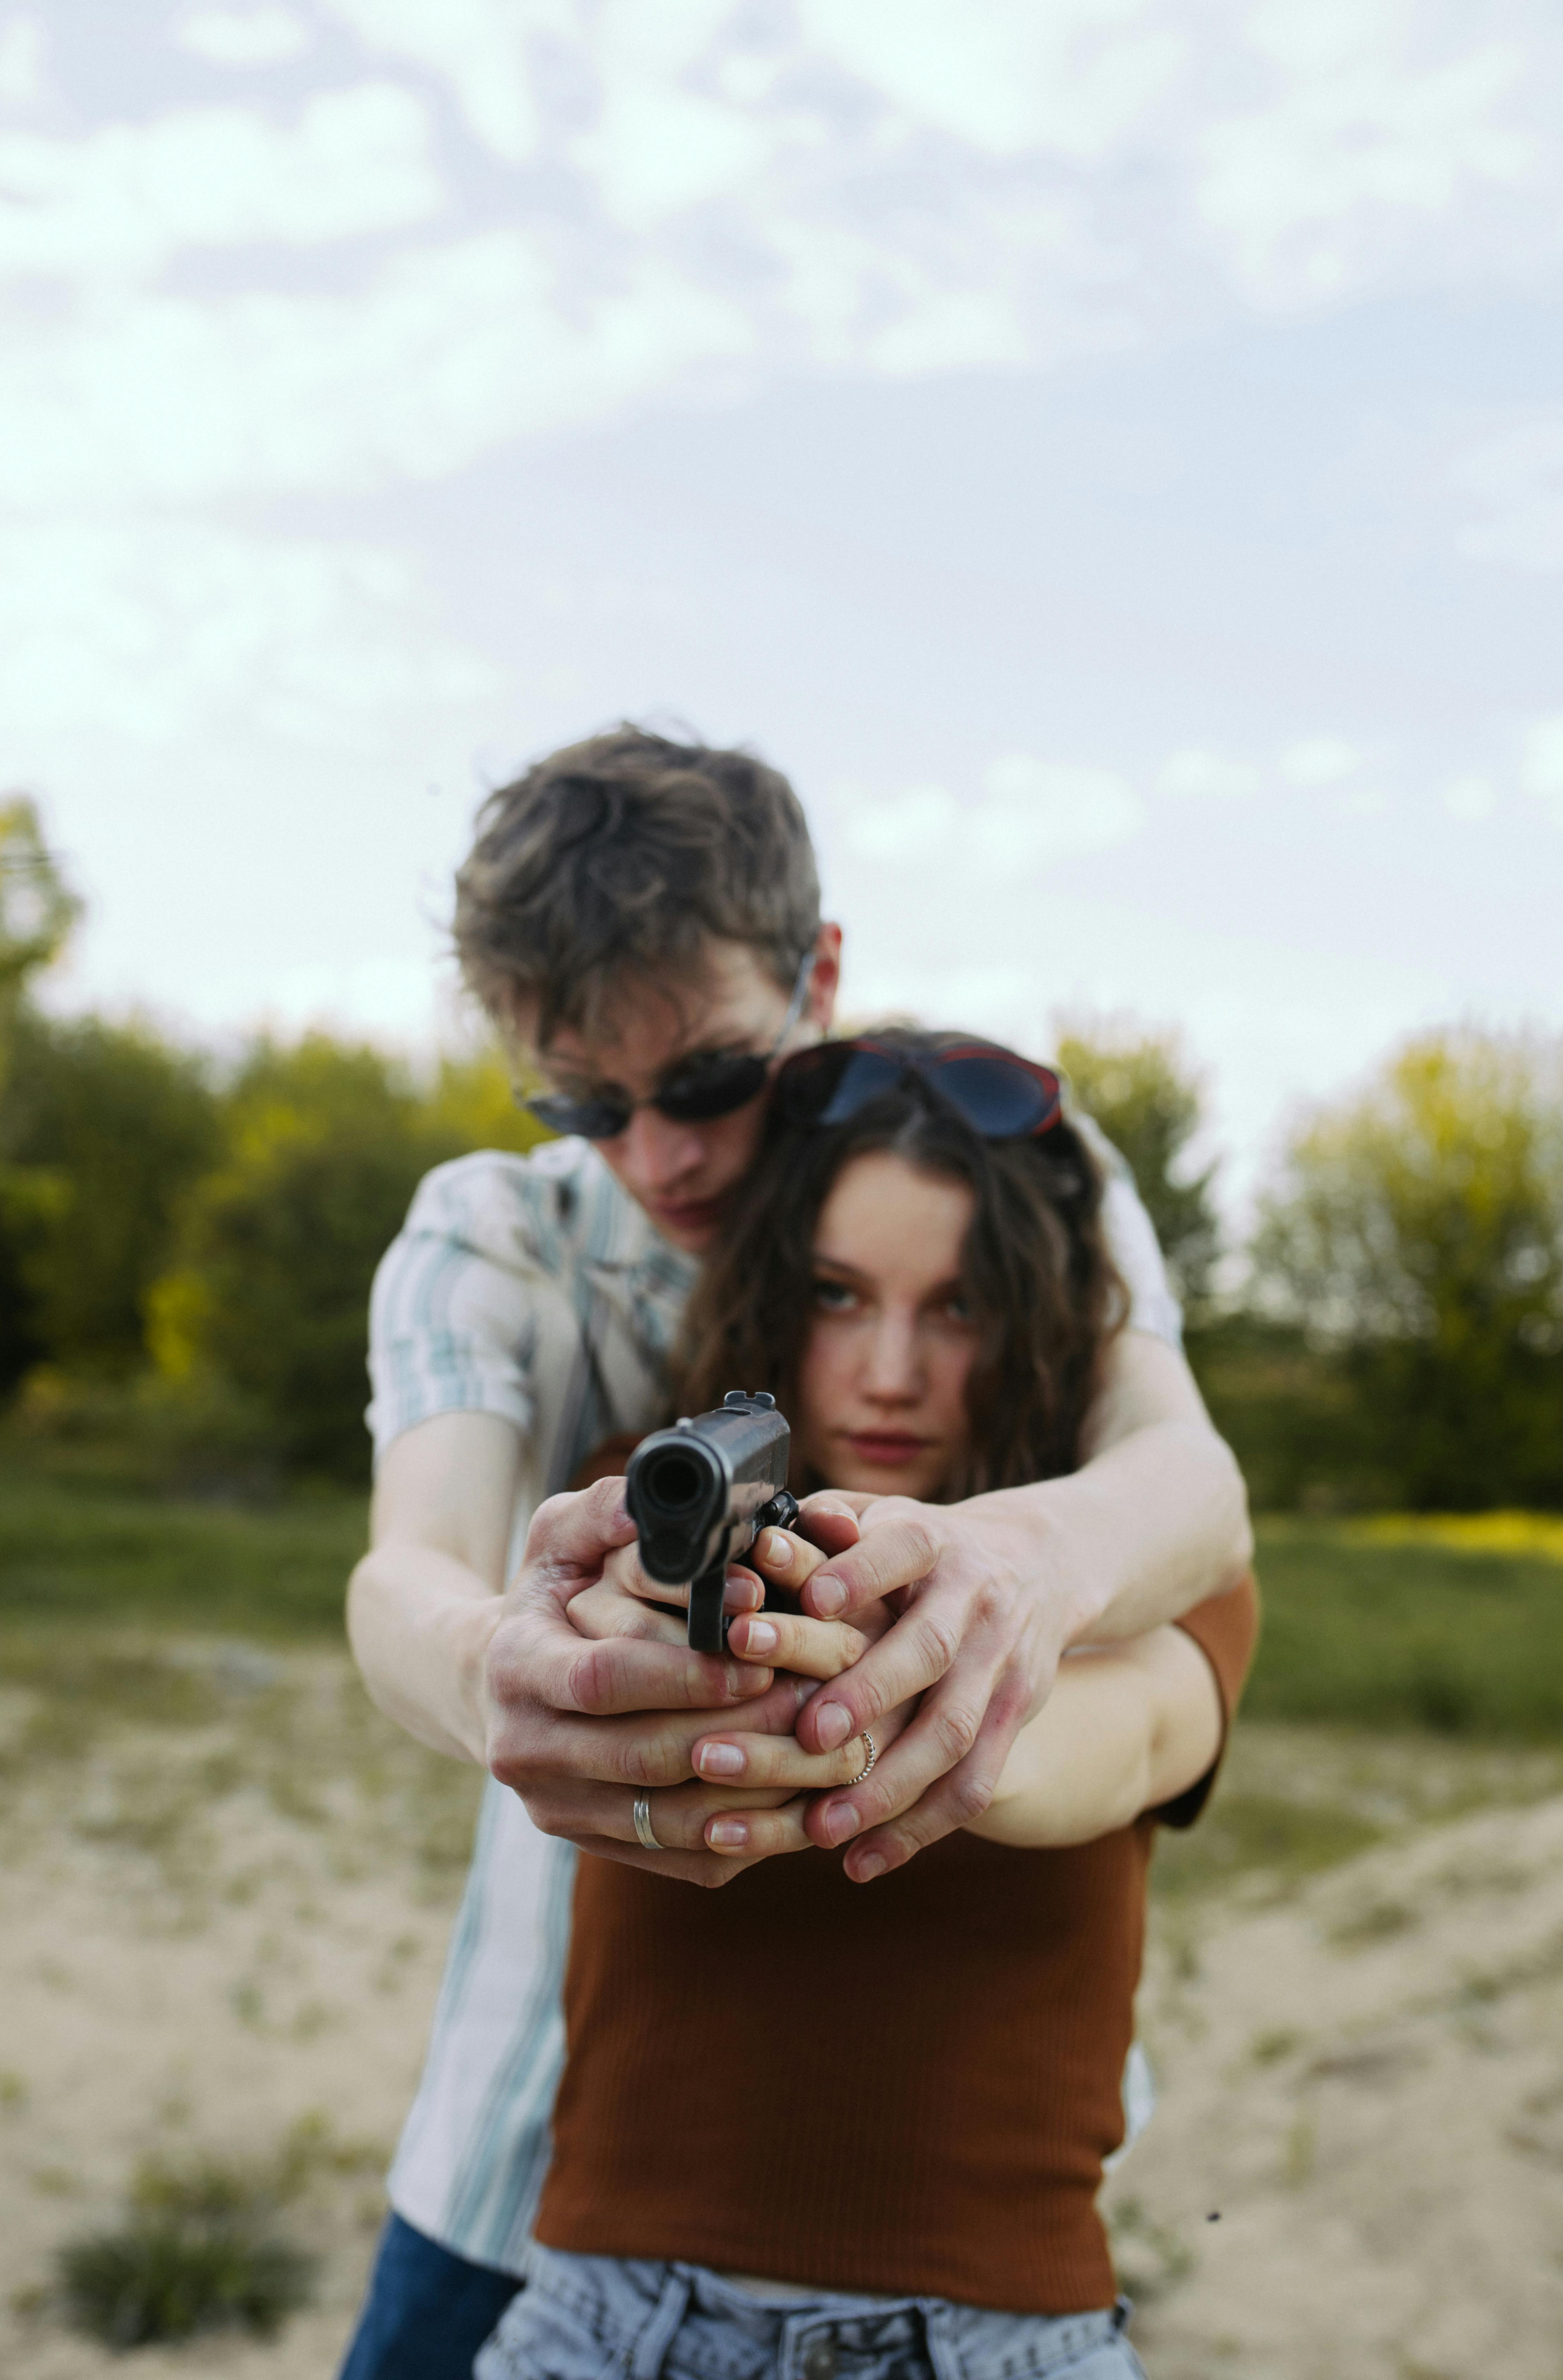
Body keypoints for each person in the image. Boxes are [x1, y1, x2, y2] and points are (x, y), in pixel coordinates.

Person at [339, 730, 1251, 2377]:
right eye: (582, 1102)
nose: (660, 1158)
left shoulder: (1008, 1153)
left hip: (965, 2211)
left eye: (702, 1080)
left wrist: (1009, 1573)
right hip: (524, 2166)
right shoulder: (491, 1231)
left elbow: (1184, 1482)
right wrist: (495, 1674)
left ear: (817, 971)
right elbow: (410, 1572)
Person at [476, 1030, 1259, 2380]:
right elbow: (585, 1660)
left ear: (1036, 1325)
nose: (891, 1368)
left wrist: (874, 1668)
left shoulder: (1147, 1575)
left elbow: (1113, 1745)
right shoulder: (648, 1495)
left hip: (992, 2343)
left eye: (956, 1307)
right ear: (778, 1295)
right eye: (841, 1295)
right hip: (602, 2321)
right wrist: (646, 1649)